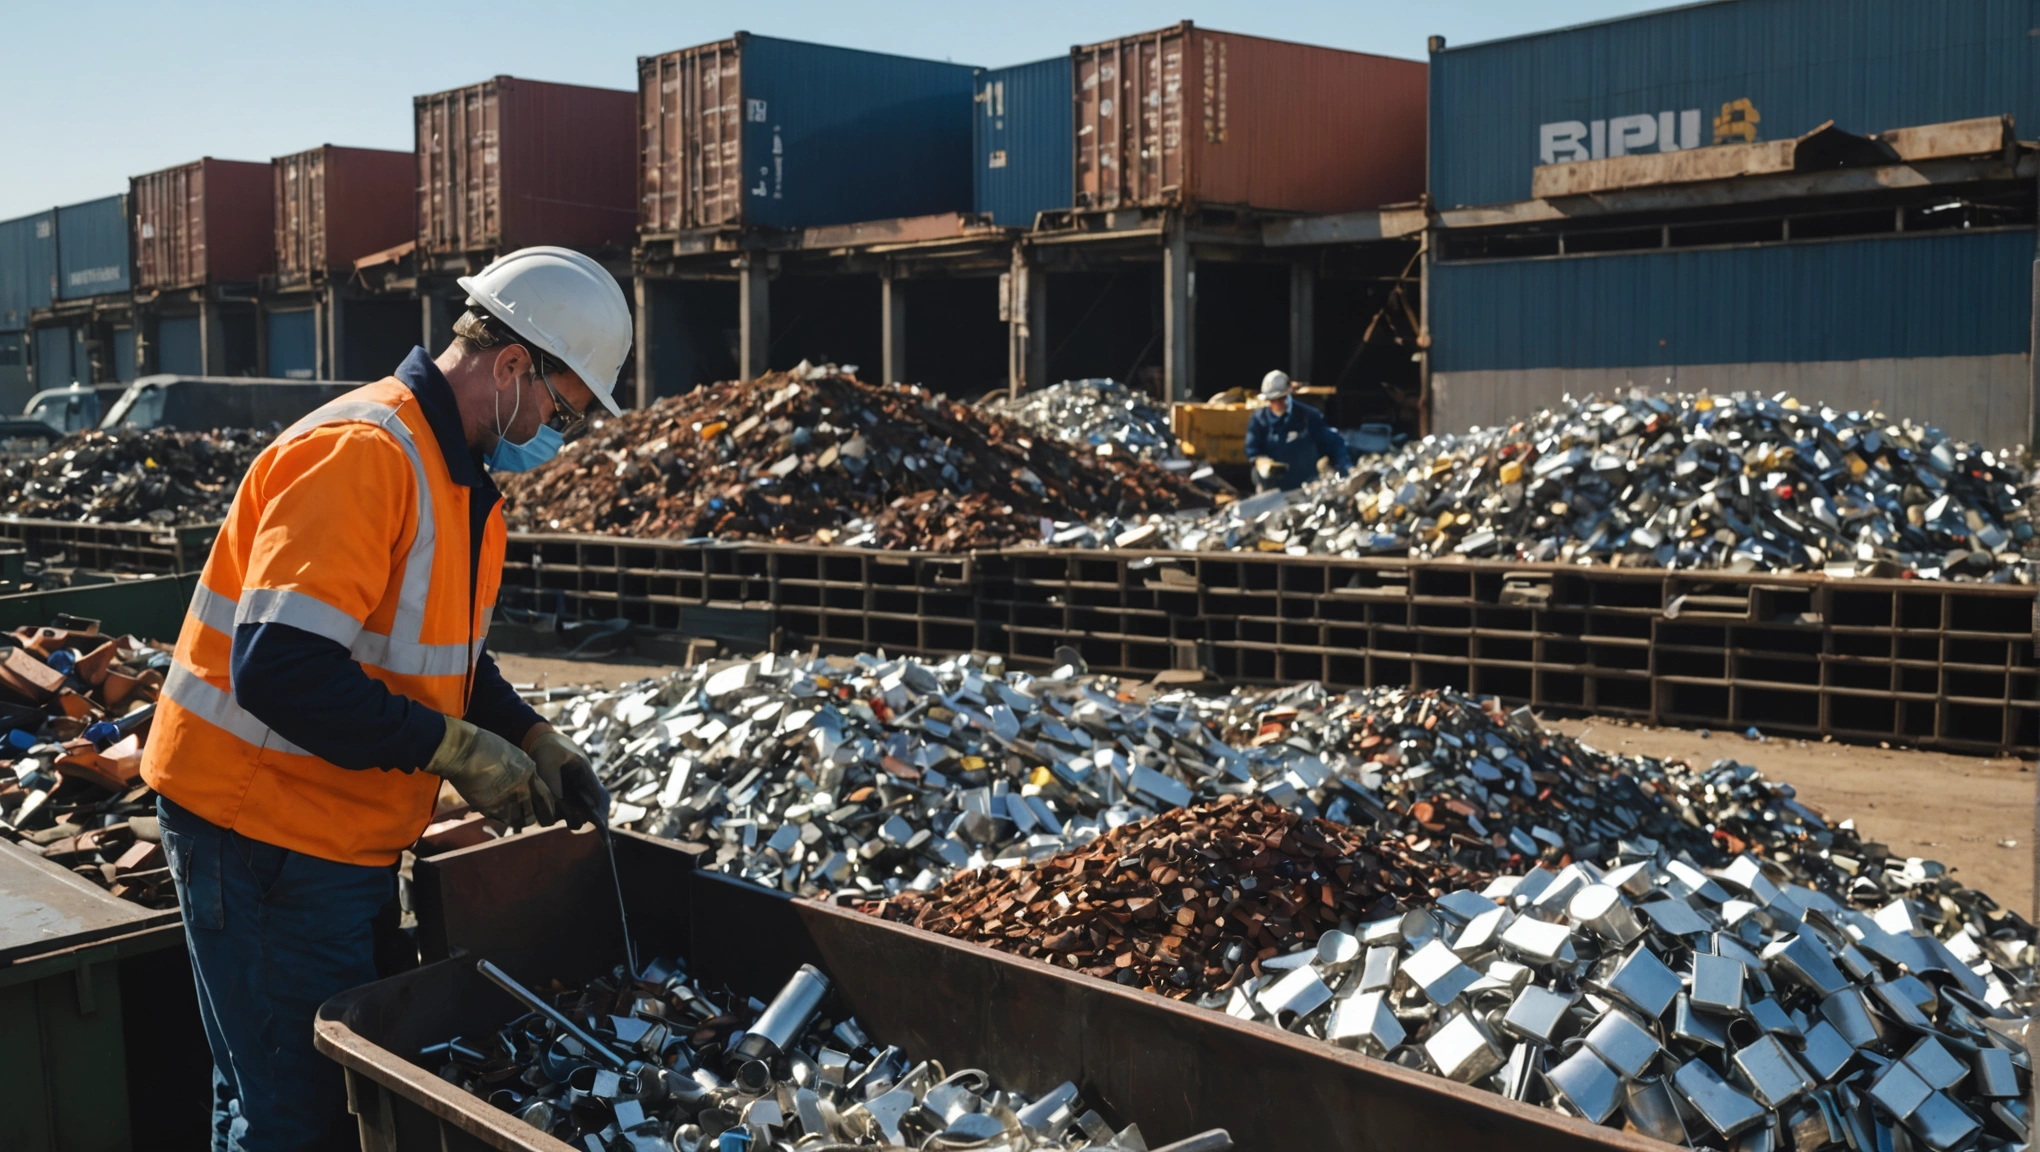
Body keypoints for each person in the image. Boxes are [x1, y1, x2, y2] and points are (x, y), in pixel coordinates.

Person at [139, 246, 634, 1151]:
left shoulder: (460, 486)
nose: (558, 430)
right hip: (259, 839)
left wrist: (531, 736)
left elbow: (446, 664)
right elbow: (281, 668)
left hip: (339, 838)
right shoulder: (366, 454)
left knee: (323, 1094)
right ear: (513, 364)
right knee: (297, 1116)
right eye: (562, 407)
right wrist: (457, 753)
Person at [1245, 370, 1351, 492]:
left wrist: (1344, 468)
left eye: (1280, 398)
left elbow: (1334, 443)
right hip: (1273, 490)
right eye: (1271, 400)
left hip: (1305, 488)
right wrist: (1261, 462)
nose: (1276, 403)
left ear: (1288, 393)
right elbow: (1252, 449)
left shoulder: (1308, 416)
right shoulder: (1259, 419)